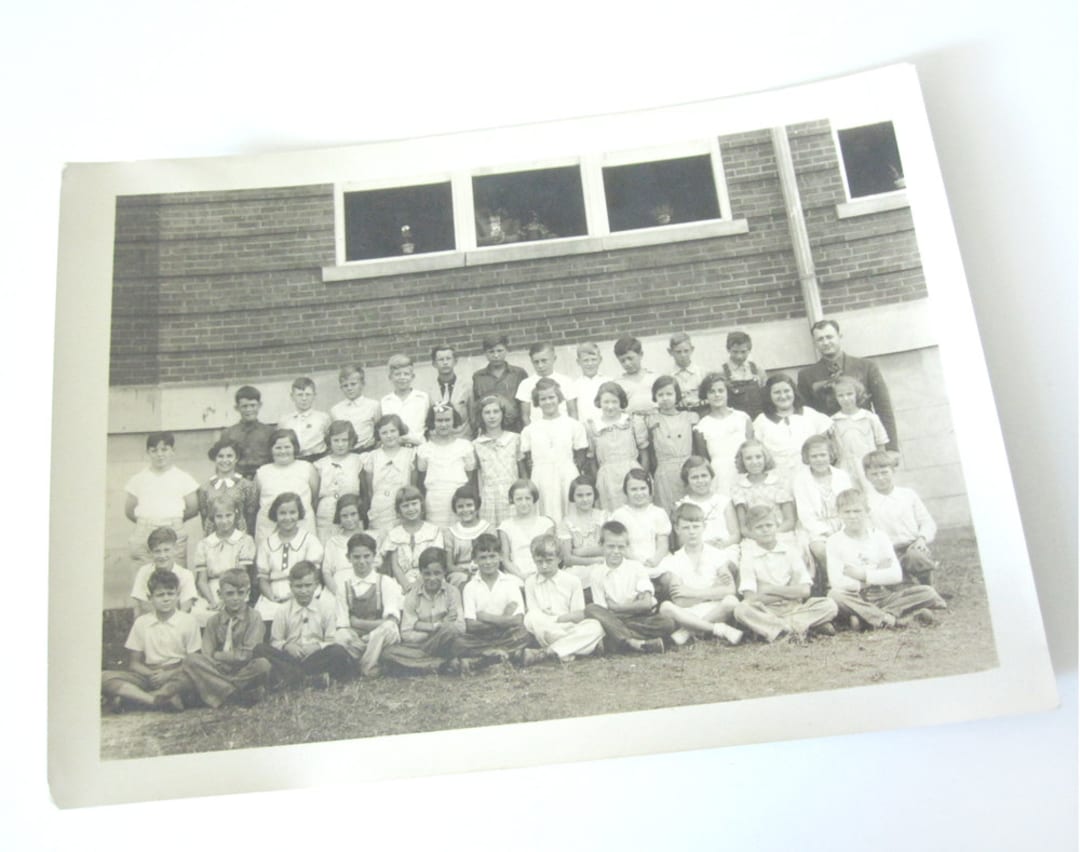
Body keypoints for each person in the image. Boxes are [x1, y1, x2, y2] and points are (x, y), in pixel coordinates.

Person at [826, 489, 947, 630]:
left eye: (857, 511)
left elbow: (895, 575)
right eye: (847, 512)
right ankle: (891, 620)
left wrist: (862, 575)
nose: (852, 516)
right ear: (838, 513)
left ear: (867, 511)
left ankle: (865, 618)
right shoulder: (834, 541)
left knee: (928, 592)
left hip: (882, 594)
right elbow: (837, 582)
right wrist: (877, 571)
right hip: (854, 596)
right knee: (835, 595)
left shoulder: (879, 537)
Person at [735, 505, 839, 643]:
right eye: (759, 527)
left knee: (829, 605)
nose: (765, 530)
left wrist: (770, 589)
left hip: (794, 608)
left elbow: (804, 591)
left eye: (769, 525)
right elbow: (751, 599)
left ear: (776, 526)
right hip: (766, 611)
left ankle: (780, 630)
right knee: (741, 610)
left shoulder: (790, 551)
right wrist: (789, 592)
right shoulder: (748, 558)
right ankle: (801, 627)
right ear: (751, 532)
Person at [103, 569, 201, 712]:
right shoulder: (142, 622)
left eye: (170, 593)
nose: (166, 599)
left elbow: (194, 661)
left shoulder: (188, 621)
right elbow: (134, 663)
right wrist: (151, 675)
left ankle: (134, 698)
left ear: (178, 595)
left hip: (177, 672)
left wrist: (169, 674)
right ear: (150, 598)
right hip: (149, 674)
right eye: (160, 595)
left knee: (188, 681)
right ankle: (154, 700)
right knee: (104, 678)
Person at [796, 318, 898, 450]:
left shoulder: (866, 367)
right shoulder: (806, 375)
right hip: (832, 445)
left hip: (866, 440)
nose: (826, 342)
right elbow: (807, 417)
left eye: (829, 337)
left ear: (839, 336)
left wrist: (891, 448)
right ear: (815, 343)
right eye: (820, 339)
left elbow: (884, 408)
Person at [182, 568, 272, 708]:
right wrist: (217, 661)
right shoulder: (213, 621)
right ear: (220, 594)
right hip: (218, 669)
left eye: (240, 593)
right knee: (191, 660)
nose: (235, 598)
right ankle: (235, 694)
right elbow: (207, 653)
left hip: (245, 670)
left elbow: (247, 655)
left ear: (247, 594)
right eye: (230, 593)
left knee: (263, 665)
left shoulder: (254, 617)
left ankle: (218, 690)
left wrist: (218, 655)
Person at [656, 504, 745, 646]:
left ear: (704, 527)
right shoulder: (673, 560)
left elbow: (729, 590)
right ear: (677, 529)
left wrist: (692, 592)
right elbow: (680, 601)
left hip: (715, 608)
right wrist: (714, 590)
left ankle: (688, 631)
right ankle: (717, 628)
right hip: (688, 612)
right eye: (686, 528)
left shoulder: (717, 555)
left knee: (731, 601)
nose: (692, 532)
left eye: (696, 527)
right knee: (666, 607)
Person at [255, 561, 353, 687]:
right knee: (260, 649)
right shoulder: (283, 610)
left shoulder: (325, 608)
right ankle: (307, 679)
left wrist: (318, 646)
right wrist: (287, 646)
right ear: (291, 586)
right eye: (298, 586)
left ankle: (293, 678)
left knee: (338, 651)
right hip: (290, 658)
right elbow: (275, 641)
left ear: (316, 585)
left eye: (308, 585)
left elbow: (331, 639)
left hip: (315, 658)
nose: (303, 590)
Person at [584, 521, 676, 654]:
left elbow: (646, 604)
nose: (616, 552)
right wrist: (632, 605)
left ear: (627, 547)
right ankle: (632, 642)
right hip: (612, 620)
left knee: (667, 623)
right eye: (611, 546)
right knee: (591, 609)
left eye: (621, 547)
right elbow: (603, 611)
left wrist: (617, 608)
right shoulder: (596, 574)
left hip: (637, 619)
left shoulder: (636, 568)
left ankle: (617, 640)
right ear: (601, 546)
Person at [380, 547, 469, 675]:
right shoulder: (412, 595)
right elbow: (406, 633)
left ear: (444, 572)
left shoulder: (452, 592)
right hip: (421, 646)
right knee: (387, 653)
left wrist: (421, 626)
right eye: (427, 573)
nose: (432, 578)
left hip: (447, 642)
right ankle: (442, 664)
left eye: (437, 573)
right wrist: (436, 627)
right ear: (421, 573)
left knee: (453, 633)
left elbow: (460, 627)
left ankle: (425, 665)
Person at [521, 534, 605, 665]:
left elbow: (578, 615)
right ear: (533, 560)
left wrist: (558, 619)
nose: (544, 566)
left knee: (596, 627)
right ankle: (573, 648)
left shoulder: (572, 581)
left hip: (568, 626)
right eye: (539, 561)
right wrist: (551, 622)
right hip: (545, 628)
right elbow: (534, 613)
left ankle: (547, 652)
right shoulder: (530, 582)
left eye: (549, 561)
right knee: (530, 617)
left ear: (559, 559)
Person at [124, 431, 199, 569]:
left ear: (173, 451)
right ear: (148, 452)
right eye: (154, 450)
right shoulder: (138, 479)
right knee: (144, 575)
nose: (160, 454)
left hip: (173, 529)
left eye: (164, 449)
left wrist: (172, 521)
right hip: (144, 531)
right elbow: (129, 511)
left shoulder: (183, 478)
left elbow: (193, 508)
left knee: (175, 575)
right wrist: (147, 521)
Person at [863, 450, 940, 586]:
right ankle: (908, 585)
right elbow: (867, 534)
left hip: (912, 546)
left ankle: (928, 585)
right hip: (887, 552)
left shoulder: (907, 494)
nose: (880, 478)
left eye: (884, 472)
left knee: (916, 557)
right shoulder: (866, 501)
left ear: (893, 471)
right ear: (867, 477)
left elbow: (927, 522)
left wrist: (922, 539)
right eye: (874, 474)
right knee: (902, 589)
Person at [333, 533, 404, 677]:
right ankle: (371, 661)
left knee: (388, 628)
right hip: (359, 640)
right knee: (339, 636)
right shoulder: (343, 587)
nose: (362, 562)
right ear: (348, 558)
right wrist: (361, 633)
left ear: (374, 556)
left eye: (366, 556)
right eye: (356, 557)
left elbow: (391, 621)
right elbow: (343, 624)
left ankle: (365, 667)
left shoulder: (385, 582)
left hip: (381, 638)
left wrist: (359, 623)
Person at [520, 377, 588, 525]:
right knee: (545, 514)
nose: (548, 402)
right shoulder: (530, 430)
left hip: (567, 474)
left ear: (559, 398)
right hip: (541, 477)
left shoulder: (573, 425)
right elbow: (527, 459)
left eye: (551, 397)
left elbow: (581, 457)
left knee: (570, 513)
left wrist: (568, 469)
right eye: (543, 399)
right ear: (537, 402)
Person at [454, 535, 531, 663]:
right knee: (458, 642)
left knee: (524, 634)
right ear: (475, 560)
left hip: (507, 635)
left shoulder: (510, 582)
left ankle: (486, 656)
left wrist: (485, 616)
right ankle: (505, 654)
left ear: (500, 556)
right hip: (480, 637)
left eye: (492, 556)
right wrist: (504, 620)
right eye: (483, 558)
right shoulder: (470, 587)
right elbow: (471, 625)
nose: (488, 562)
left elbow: (518, 620)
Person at [791, 434, 853, 592]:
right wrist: (825, 532)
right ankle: (835, 583)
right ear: (807, 458)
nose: (819, 459)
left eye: (823, 455)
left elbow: (849, 503)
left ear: (830, 455)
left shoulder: (841, 476)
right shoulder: (801, 479)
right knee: (823, 549)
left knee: (852, 544)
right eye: (814, 456)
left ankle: (855, 581)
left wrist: (844, 528)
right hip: (815, 527)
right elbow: (805, 514)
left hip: (843, 522)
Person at [254, 492, 325, 622]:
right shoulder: (267, 544)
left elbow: (314, 575)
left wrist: (295, 595)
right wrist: (271, 597)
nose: (288, 517)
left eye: (292, 512)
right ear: (275, 514)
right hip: (273, 597)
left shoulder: (309, 541)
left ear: (299, 514)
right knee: (266, 619)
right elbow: (263, 579)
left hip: (304, 593)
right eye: (282, 513)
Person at [752, 373, 832, 485]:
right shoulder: (762, 421)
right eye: (777, 392)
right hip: (778, 479)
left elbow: (828, 440)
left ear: (793, 391)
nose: (783, 396)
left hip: (810, 476)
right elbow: (755, 451)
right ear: (769, 395)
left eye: (786, 391)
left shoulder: (809, 414)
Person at [586, 381, 648, 512]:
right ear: (599, 403)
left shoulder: (632, 422)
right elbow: (591, 459)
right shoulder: (593, 426)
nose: (610, 406)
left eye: (614, 402)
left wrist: (643, 476)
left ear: (621, 402)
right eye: (606, 402)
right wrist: (599, 479)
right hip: (607, 479)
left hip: (633, 474)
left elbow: (644, 452)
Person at [252, 428, 319, 547]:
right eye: (278, 448)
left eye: (287, 447)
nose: (283, 451)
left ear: (295, 448)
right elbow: (255, 503)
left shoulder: (307, 468)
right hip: (269, 527)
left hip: (301, 524)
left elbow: (314, 499)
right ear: (271, 450)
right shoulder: (262, 472)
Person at [193, 495, 256, 617]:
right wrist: (212, 601)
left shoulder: (244, 541)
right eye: (219, 516)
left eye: (228, 515)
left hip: (236, 590)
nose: (224, 521)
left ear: (235, 515)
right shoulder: (204, 544)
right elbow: (202, 581)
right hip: (210, 592)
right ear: (213, 518)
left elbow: (241, 575)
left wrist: (226, 599)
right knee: (200, 614)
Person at [692, 372, 753, 499]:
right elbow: (705, 460)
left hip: (744, 472)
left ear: (727, 393)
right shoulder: (702, 426)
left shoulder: (742, 418)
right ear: (706, 395)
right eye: (711, 391)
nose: (717, 395)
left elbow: (752, 448)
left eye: (721, 390)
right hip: (719, 476)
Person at [417, 403, 477, 527]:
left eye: (447, 420)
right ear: (432, 422)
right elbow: (422, 475)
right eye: (439, 420)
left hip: (459, 499)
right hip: (435, 500)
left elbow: (470, 473)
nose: (443, 424)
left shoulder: (464, 446)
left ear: (453, 420)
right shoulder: (424, 449)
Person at [729, 439, 797, 544]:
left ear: (765, 458)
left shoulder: (778, 483)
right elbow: (743, 528)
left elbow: (789, 521)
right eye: (748, 458)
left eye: (758, 457)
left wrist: (772, 535)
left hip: (780, 534)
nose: (754, 462)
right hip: (754, 538)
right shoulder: (739, 487)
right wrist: (759, 538)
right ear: (742, 461)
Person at [647, 375, 698, 513]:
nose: (665, 398)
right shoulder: (652, 420)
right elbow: (650, 450)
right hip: (665, 473)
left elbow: (697, 446)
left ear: (677, 395)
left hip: (688, 471)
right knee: (668, 511)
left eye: (669, 393)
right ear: (655, 396)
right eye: (660, 394)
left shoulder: (689, 417)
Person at [828, 376, 889, 490]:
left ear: (857, 394)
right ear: (835, 398)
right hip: (845, 468)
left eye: (850, 394)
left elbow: (881, 445)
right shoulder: (833, 422)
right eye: (840, 395)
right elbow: (833, 450)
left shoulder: (870, 418)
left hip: (869, 466)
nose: (846, 399)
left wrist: (880, 466)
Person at [361, 414, 416, 535]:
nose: (389, 435)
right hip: (379, 508)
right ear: (378, 435)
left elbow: (413, 486)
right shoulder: (372, 457)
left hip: (402, 507)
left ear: (399, 431)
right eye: (384, 432)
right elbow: (370, 490)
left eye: (393, 431)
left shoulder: (409, 454)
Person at [381, 485, 443, 592]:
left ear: (421, 505)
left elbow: (434, 560)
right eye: (405, 506)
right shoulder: (394, 534)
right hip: (402, 583)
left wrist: (418, 584)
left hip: (430, 579)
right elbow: (395, 565)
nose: (411, 509)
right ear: (399, 509)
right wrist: (407, 586)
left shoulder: (434, 531)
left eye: (414, 504)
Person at [472, 394, 523, 526]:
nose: (492, 416)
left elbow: (522, 471)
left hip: (512, 496)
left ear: (503, 414)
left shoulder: (514, 439)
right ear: (481, 416)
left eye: (496, 411)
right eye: (487, 412)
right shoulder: (476, 444)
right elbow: (474, 477)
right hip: (488, 497)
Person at [609, 469, 671, 577]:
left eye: (643, 488)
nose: (639, 493)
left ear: (650, 490)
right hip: (630, 561)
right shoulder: (619, 515)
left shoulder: (658, 513)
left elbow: (663, 544)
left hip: (656, 560)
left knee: (669, 579)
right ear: (626, 491)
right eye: (633, 489)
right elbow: (621, 546)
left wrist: (655, 560)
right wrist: (637, 562)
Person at [672, 457, 740, 552]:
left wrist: (724, 544)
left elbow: (735, 535)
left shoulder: (724, 501)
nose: (700, 481)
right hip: (695, 551)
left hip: (724, 549)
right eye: (694, 477)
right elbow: (681, 542)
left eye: (704, 476)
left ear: (711, 476)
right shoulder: (681, 505)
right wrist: (705, 546)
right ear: (687, 480)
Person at [313, 420, 363, 542]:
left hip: (351, 513)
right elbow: (315, 496)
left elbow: (364, 492)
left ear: (351, 441)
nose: (340, 444)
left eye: (344, 440)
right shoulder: (320, 464)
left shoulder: (358, 461)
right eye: (336, 440)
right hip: (326, 514)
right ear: (329, 441)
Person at [130, 527, 198, 617]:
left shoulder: (186, 574)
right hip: (150, 619)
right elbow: (143, 603)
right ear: (150, 553)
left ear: (175, 549)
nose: (162, 556)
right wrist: (161, 622)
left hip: (177, 621)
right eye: (157, 551)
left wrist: (171, 623)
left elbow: (186, 606)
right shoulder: (144, 572)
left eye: (167, 550)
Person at [196, 437, 257, 536]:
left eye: (229, 456)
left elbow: (251, 517)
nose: (225, 460)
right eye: (220, 456)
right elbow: (205, 518)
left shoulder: (247, 486)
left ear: (236, 458)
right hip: (213, 538)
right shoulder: (205, 488)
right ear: (215, 458)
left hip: (240, 536)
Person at [498, 479, 556, 582]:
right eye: (519, 499)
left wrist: (539, 572)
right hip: (516, 573)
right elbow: (506, 559)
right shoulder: (505, 526)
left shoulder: (546, 523)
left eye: (527, 498)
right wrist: (522, 576)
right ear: (512, 500)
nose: (524, 503)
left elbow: (550, 554)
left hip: (543, 569)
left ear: (534, 499)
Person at [556, 476, 608, 591]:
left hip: (604, 565)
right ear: (572, 497)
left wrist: (579, 552)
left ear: (595, 495)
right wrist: (595, 560)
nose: (585, 499)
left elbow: (608, 548)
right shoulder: (566, 522)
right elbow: (568, 559)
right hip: (578, 569)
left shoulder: (604, 517)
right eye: (580, 495)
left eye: (589, 494)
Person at [471, 334, 529, 434]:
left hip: (515, 428)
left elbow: (525, 403)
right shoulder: (478, 377)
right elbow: (477, 405)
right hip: (490, 429)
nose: (496, 355)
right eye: (491, 352)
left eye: (499, 351)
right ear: (485, 353)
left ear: (506, 350)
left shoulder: (518, 373)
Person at [220, 385, 275, 479]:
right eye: (244, 406)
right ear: (237, 408)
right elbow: (223, 461)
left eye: (253, 405)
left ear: (259, 405)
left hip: (264, 477)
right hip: (237, 479)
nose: (249, 410)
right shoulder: (228, 433)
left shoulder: (269, 432)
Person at [442, 487, 492, 588]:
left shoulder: (488, 528)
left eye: (469, 505)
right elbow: (449, 566)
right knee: (461, 580)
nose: (465, 510)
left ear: (477, 506)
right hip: (459, 573)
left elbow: (493, 556)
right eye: (460, 506)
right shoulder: (450, 532)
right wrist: (466, 572)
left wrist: (479, 570)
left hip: (486, 567)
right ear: (455, 509)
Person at [517, 342, 578, 425]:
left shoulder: (566, 381)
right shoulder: (525, 384)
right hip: (538, 430)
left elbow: (572, 412)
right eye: (536, 362)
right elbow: (525, 416)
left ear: (554, 358)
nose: (540, 365)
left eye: (544, 360)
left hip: (563, 428)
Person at [278, 376, 332, 463]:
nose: (304, 399)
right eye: (300, 395)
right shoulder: (284, 421)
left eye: (308, 394)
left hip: (318, 459)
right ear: (292, 396)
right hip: (294, 461)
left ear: (314, 395)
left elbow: (330, 441)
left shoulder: (323, 418)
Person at [380, 354, 430, 445]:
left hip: (419, 446)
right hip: (395, 448)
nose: (402, 378)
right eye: (397, 374)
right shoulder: (385, 401)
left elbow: (430, 425)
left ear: (412, 376)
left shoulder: (422, 398)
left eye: (406, 374)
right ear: (390, 377)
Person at [321, 494, 366, 594]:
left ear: (360, 514)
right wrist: (337, 592)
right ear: (339, 517)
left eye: (353, 514)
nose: (349, 519)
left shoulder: (369, 538)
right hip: (339, 587)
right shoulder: (333, 542)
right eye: (344, 516)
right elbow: (326, 572)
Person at [330, 365, 381, 452]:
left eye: (353, 384)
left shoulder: (373, 405)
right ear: (341, 388)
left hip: (368, 451)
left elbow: (379, 431)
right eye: (345, 385)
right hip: (346, 453)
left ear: (362, 384)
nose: (349, 388)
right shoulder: (335, 410)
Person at [425, 345, 472, 438]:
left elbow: (473, 417)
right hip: (439, 440)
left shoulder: (467, 387)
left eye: (448, 358)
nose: (445, 362)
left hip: (463, 438)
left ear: (455, 361)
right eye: (441, 359)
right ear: (434, 364)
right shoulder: (428, 391)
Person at [721, 331, 767, 421]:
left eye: (743, 352)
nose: (739, 356)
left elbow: (766, 396)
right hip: (734, 421)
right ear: (728, 350)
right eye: (735, 352)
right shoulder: (722, 372)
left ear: (749, 350)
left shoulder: (757, 370)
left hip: (758, 419)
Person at [613, 335, 657, 418]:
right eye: (622, 361)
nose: (627, 363)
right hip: (632, 424)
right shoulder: (618, 383)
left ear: (640, 354)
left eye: (630, 358)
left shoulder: (653, 377)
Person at [570, 341, 611, 427]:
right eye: (585, 360)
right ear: (578, 362)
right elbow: (573, 412)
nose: (590, 363)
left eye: (593, 359)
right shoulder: (574, 386)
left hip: (607, 427)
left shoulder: (608, 381)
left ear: (600, 360)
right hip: (586, 430)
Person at [666, 332, 704, 411]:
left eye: (686, 351)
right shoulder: (668, 377)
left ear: (692, 349)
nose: (683, 355)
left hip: (701, 412)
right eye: (678, 352)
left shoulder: (702, 373)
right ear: (670, 352)